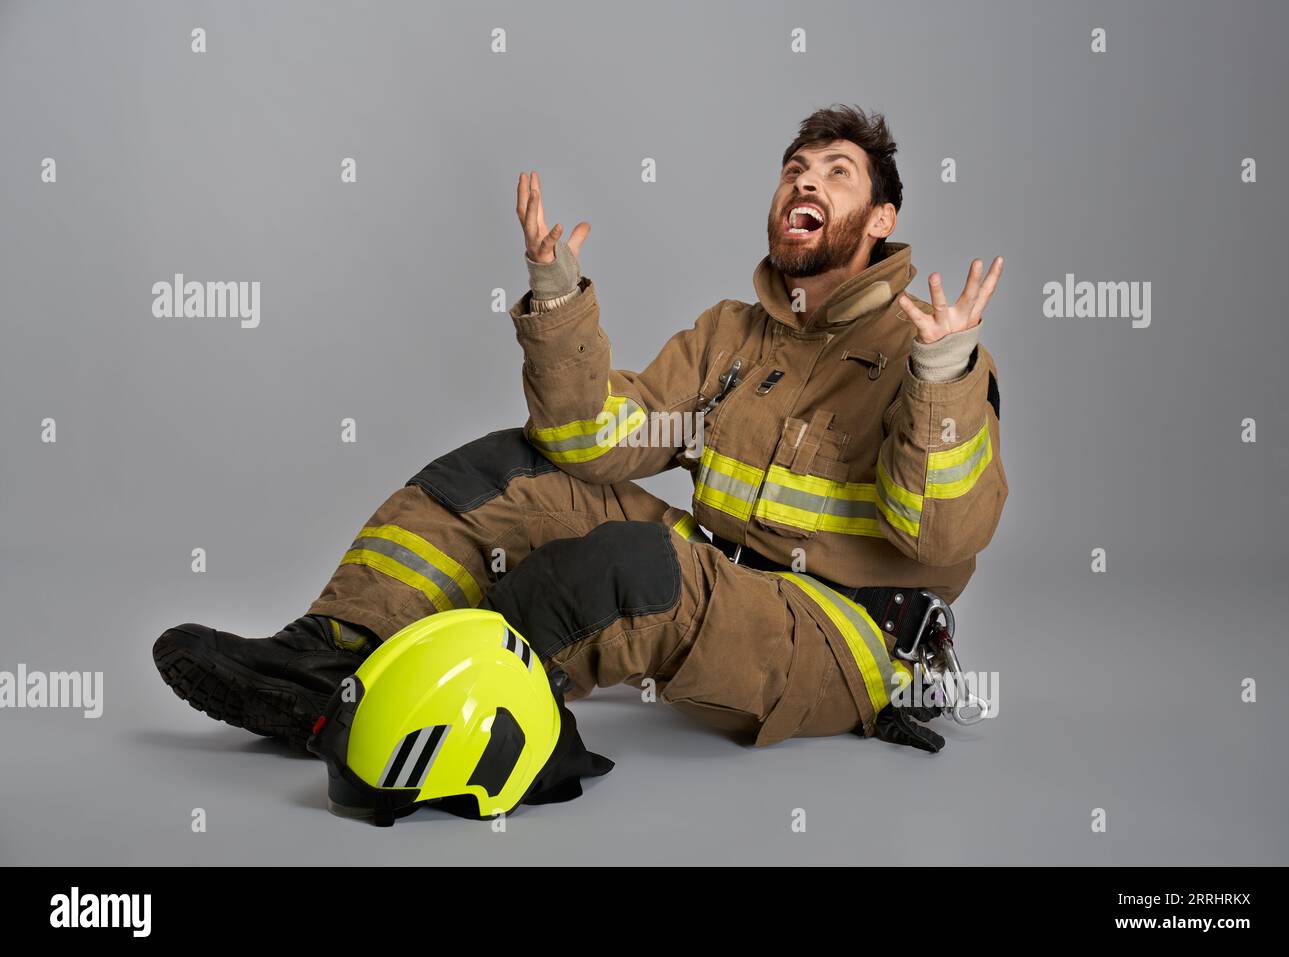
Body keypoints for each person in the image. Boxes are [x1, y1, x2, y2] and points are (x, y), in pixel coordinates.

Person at [154, 103, 1008, 757]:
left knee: (624, 571)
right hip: (720, 576)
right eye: (794, 168)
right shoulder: (734, 335)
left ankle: (431, 714)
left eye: (838, 171)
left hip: (840, 635)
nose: (806, 182)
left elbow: (939, 535)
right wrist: (558, 299)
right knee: (509, 472)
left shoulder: (931, 354)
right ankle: (329, 655)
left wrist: (941, 381)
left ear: (882, 219)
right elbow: (588, 439)